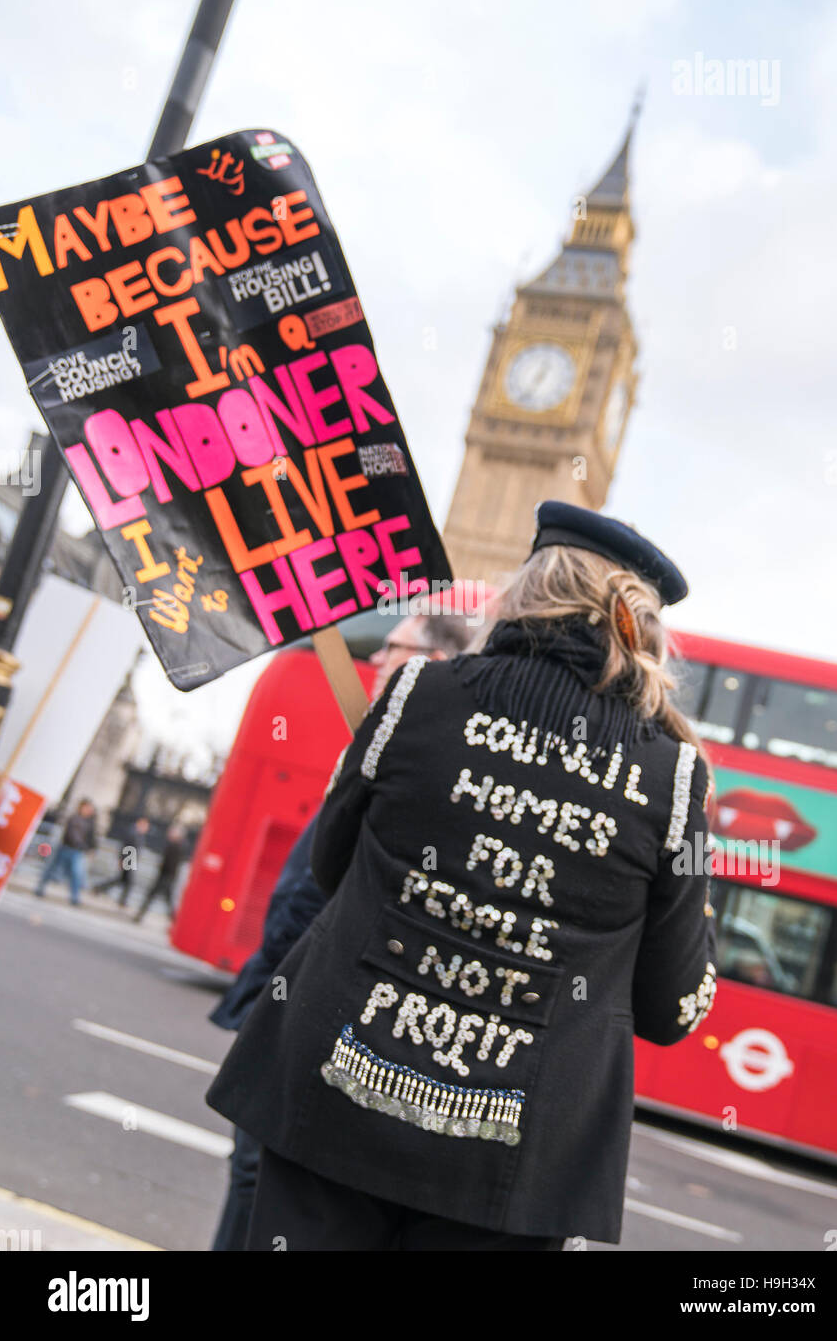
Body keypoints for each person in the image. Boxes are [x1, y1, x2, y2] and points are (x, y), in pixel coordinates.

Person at [206, 503, 718, 1251]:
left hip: (333, 1094)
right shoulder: (673, 780)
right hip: (513, 1158)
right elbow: (672, 1010)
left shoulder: (416, 695)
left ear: (523, 591)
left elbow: (330, 865)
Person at [209, 600, 478, 1251]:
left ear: (433, 664)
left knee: (258, 1176)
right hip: (287, 995)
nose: (376, 663)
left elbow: (326, 892)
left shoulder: (418, 765)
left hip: (314, 1007)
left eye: (393, 650)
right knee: (249, 1172)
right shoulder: (384, 745)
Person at [36, 799, 98, 906]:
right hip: (66, 847)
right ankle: (40, 888)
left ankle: (75, 897)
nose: (88, 811)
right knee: (52, 869)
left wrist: (91, 848)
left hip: (78, 851)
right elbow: (72, 834)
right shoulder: (74, 818)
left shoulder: (90, 823)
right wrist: (81, 844)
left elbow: (92, 837)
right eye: (87, 808)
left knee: (76, 874)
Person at [93, 815, 151, 907]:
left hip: (131, 859)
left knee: (122, 880)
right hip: (128, 859)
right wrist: (122, 859)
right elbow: (126, 846)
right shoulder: (133, 833)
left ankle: (100, 888)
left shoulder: (139, 834)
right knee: (128, 881)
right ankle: (121, 900)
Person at [133, 822, 186, 923]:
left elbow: (171, 864)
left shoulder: (176, 846)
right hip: (166, 876)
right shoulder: (174, 845)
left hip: (165, 877)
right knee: (165, 900)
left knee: (155, 897)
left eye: (172, 832)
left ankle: (140, 916)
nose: (169, 833)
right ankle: (174, 920)